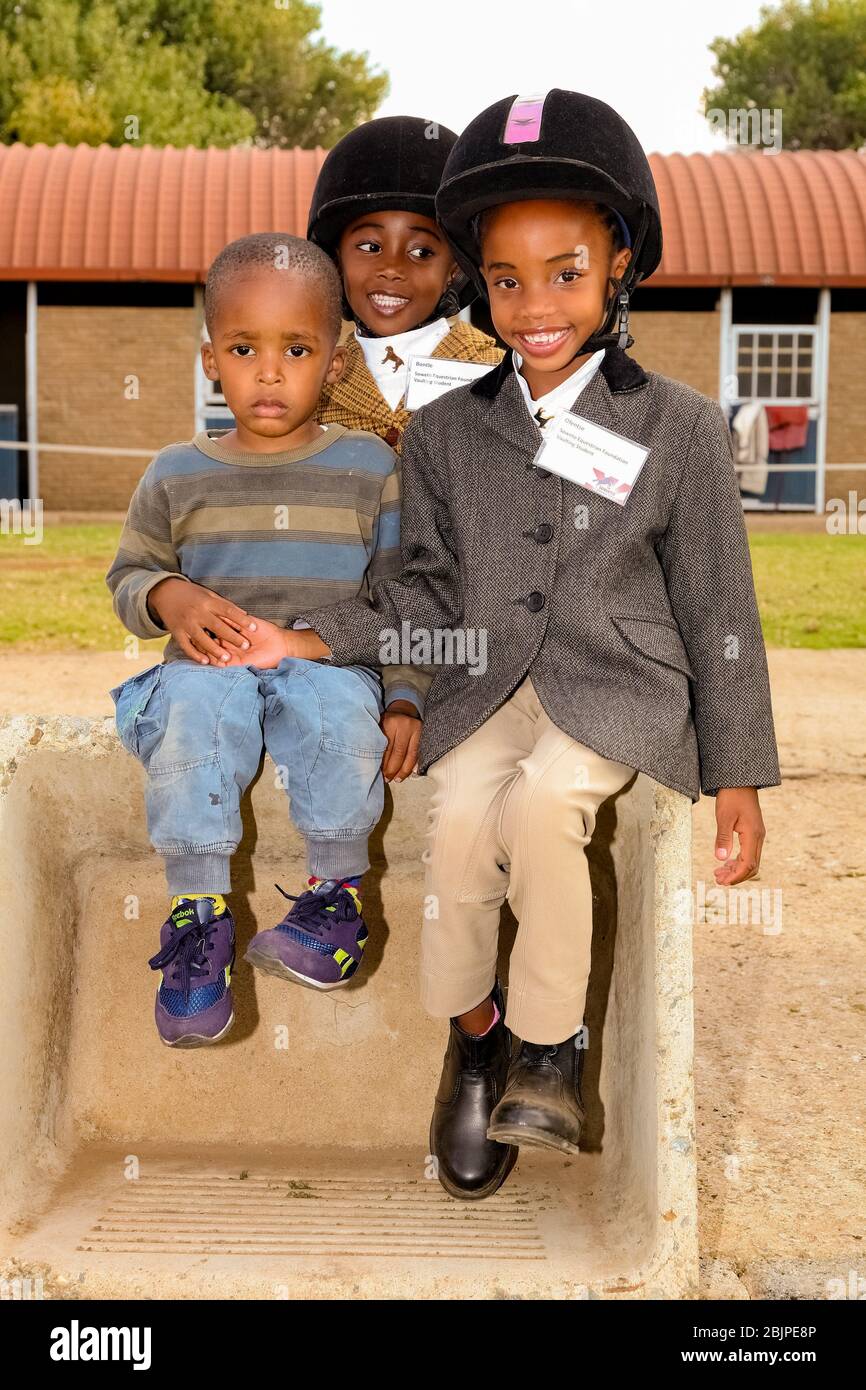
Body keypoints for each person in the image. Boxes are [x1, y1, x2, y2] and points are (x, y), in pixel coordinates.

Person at [219, 91, 781, 1201]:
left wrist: (739, 774)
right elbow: (418, 583)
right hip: (479, 679)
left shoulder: (674, 425)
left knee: (540, 808)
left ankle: (548, 1048)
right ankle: (472, 1035)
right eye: (509, 278)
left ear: (619, 261)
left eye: (565, 273)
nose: (534, 306)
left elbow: (718, 599)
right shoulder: (444, 428)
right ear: (481, 276)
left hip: (613, 686)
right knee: (461, 813)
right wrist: (308, 637)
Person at [106, 233, 425, 1047]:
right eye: (246, 349)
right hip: (207, 673)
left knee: (331, 712)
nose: (271, 372)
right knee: (193, 704)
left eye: (297, 348)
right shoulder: (176, 471)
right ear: (212, 358)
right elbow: (130, 577)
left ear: (338, 364)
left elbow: (401, 601)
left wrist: (402, 700)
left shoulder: (368, 468)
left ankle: (333, 904)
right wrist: (169, 596)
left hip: (323, 665)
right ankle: (199, 918)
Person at [307, 115, 502, 452]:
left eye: (422, 252)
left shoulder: (498, 377)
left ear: (454, 270)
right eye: (370, 247)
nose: (392, 268)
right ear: (337, 260)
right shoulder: (313, 383)